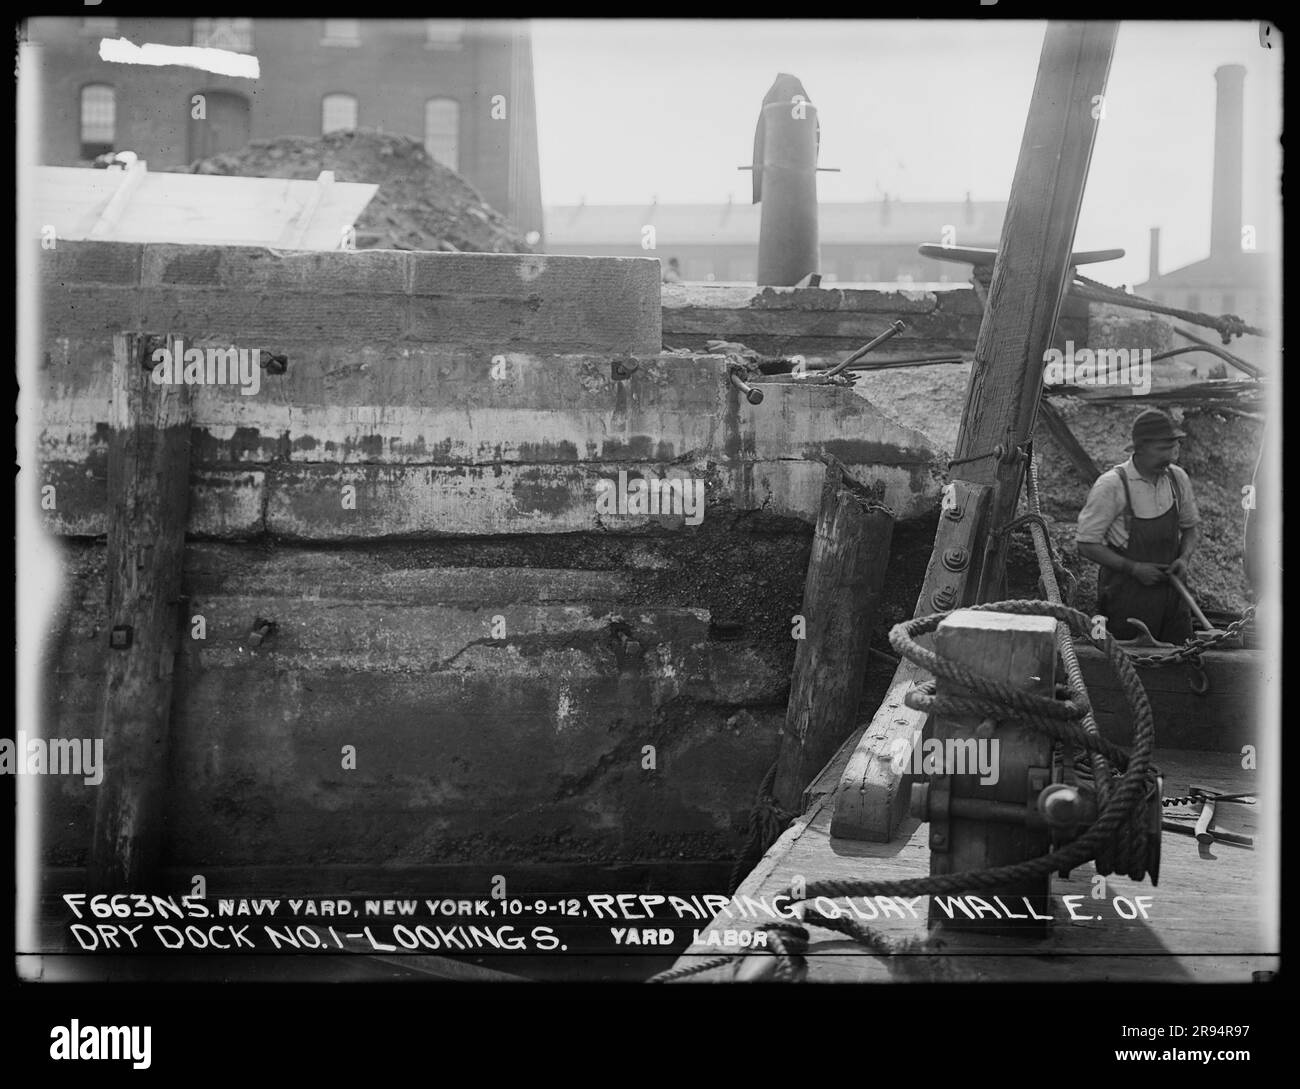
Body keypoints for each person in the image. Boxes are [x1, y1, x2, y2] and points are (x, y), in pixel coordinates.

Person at [1076, 409, 1200, 643]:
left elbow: (1191, 528)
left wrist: (1184, 558)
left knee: (1180, 664)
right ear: (1140, 447)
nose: (1170, 456)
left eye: (1173, 448)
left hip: (1173, 596)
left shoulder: (1177, 478)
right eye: (1161, 449)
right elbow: (1086, 543)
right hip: (1126, 597)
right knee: (1125, 667)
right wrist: (1134, 568)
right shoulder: (1112, 485)